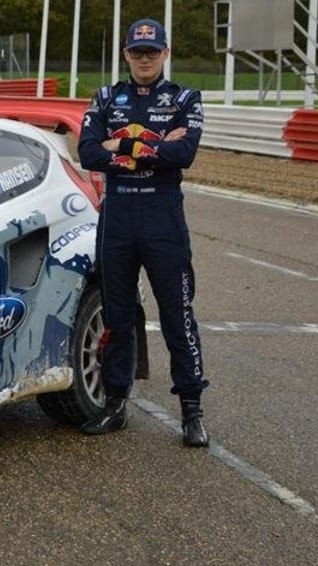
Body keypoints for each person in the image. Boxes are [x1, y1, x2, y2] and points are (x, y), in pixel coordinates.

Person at [77, 18, 210, 447]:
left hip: (162, 217)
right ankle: (115, 403)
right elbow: (88, 153)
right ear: (126, 54)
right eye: (137, 51)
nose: (145, 58)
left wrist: (121, 145)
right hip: (116, 217)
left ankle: (192, 410)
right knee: (117, 316)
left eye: (152, 52)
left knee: (177, 314)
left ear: (165, 53)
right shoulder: (104, 97)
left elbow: (184, 153)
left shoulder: (185, 98)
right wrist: (153, 147)